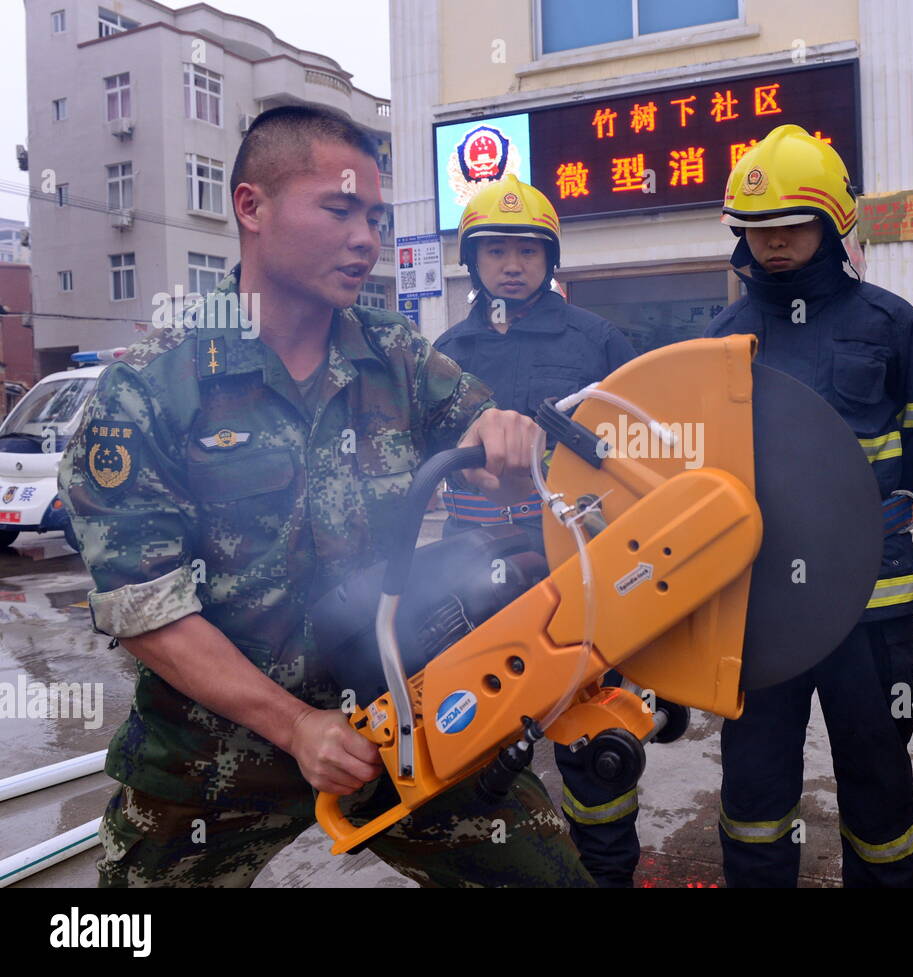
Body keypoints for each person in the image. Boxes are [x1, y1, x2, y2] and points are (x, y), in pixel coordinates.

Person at [58, 106, 593, 888]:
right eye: (339, 209)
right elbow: (145, 607)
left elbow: (474, 426)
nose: (366, 238)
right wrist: (296, 724)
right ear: (251, 206)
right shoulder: (151, 385)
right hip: (213, 759)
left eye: (375, 217)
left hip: (403, 715)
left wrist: (504, 439)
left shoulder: (394, 351)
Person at [705, 124, 913, 887]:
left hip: (870, 599)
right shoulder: (722, 338)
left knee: (878, 772)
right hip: (761, 605)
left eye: (792, 226)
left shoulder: (891, 322)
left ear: (835, 222)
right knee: (755, 782)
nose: (773, 244)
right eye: (757, 230)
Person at [435, 175, 645, 887]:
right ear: (472, 262)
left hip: (575, 573)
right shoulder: (443, 351)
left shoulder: (598, 341)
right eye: (495, 249)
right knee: (473, 736)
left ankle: (605, 874)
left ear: (551, 259)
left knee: (594, 741)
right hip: (472, 585)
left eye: (528, 249)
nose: (512, 263)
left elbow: (635, 450)